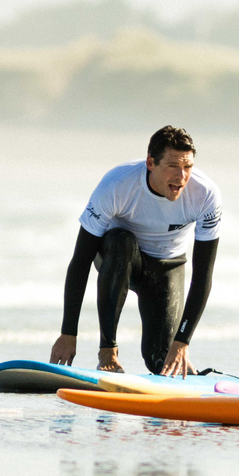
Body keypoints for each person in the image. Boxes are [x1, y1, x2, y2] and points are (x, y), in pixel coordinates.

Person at [50, 126, 222, 378]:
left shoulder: (206, 195)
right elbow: (81, 261)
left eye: (188, 167)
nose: (182, 176)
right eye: (173, 166)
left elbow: (203, 275)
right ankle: (108, 352)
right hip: (118, 258)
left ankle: (188, 369)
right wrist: (68, 333)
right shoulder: (117, 185)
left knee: (162, 364)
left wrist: (182, 342)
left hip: (167, 265)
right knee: (121, 240)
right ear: (151, 163)